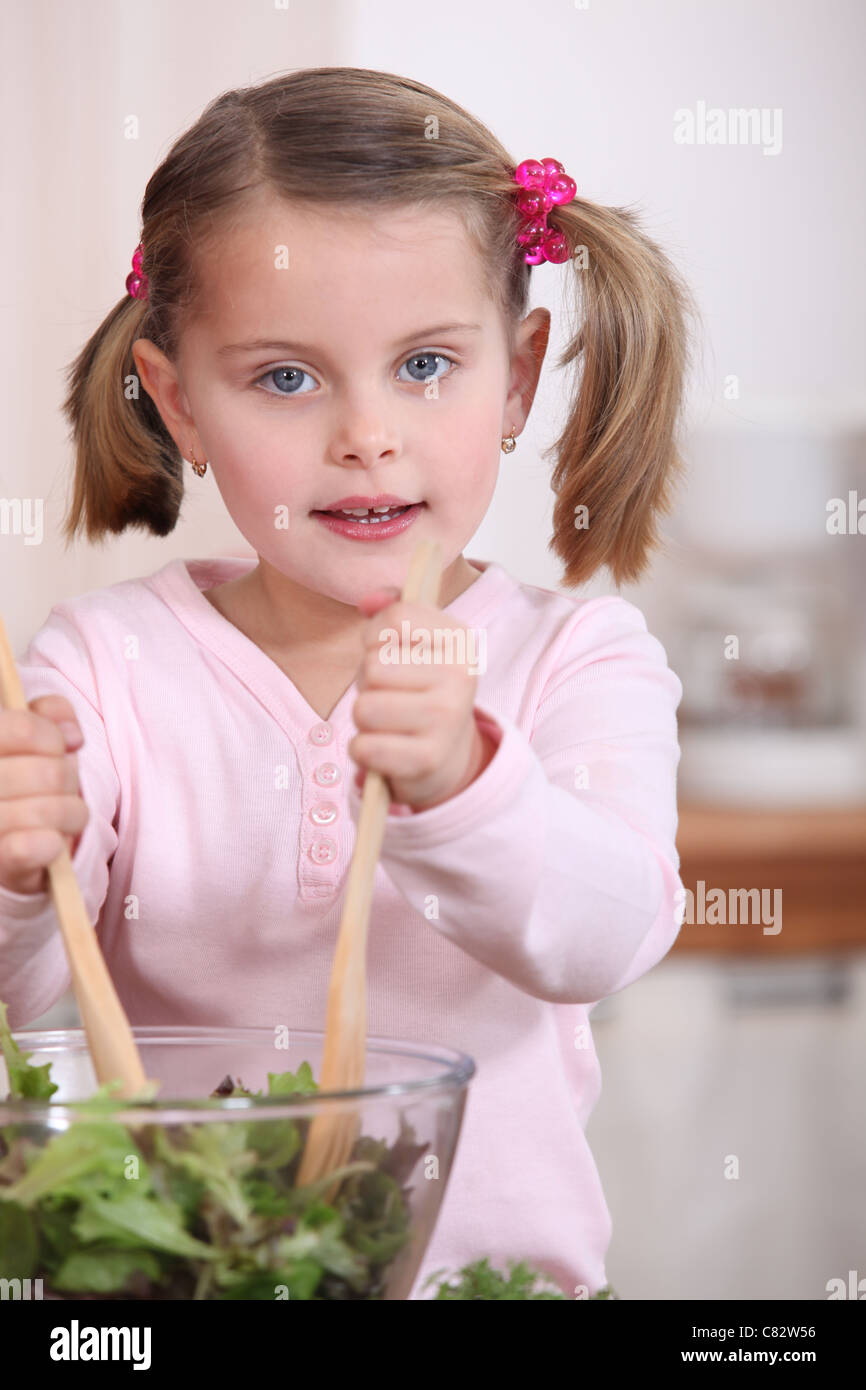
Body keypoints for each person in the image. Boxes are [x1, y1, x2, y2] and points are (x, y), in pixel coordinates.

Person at [0, 66, 698, 1299]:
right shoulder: (100, 668)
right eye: (285, 377)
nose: (365, 433)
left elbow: (605, 934)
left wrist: (464, 785)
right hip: (176, 1293)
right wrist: (12, 865)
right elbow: (26, 989)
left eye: (426, 364)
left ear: (519, 378)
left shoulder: (577, 661)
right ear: (177, 404)